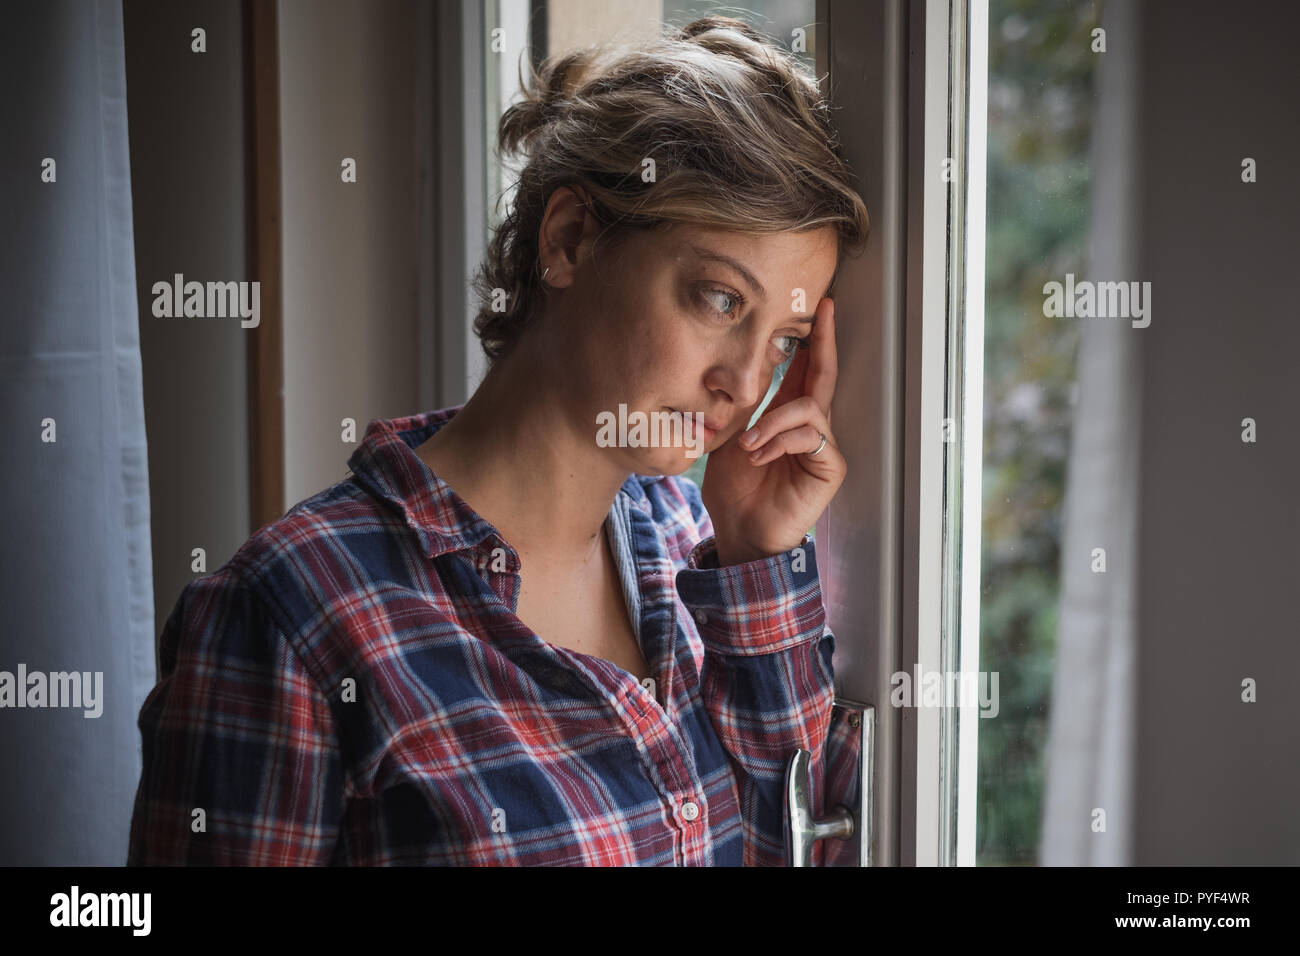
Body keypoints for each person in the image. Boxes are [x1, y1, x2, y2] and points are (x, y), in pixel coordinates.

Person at [128, 14, 870, 866]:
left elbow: (802, 847)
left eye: (784, 338)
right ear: (568, 241)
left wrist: (753, 556)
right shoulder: (289, 614)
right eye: (718, 299)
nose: (744, 382)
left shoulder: (694, 551)